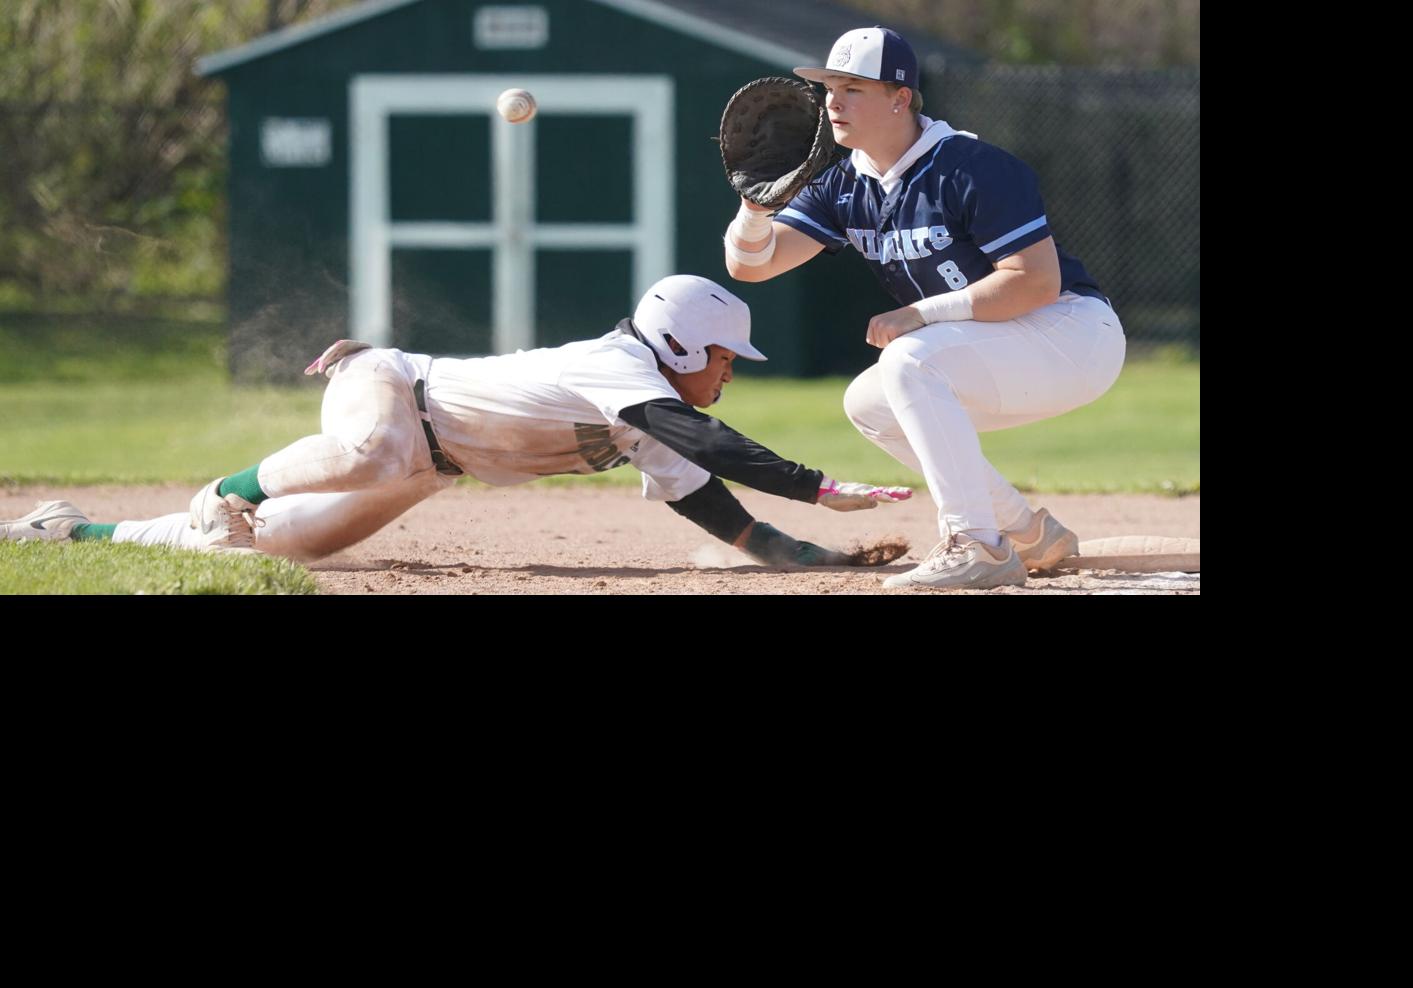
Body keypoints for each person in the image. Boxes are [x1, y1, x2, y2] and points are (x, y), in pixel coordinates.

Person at [3, 275, 911, 566]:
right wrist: (820, 487)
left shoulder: (647, 412)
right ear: (677, 343)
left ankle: (75, 531)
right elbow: (711, 443)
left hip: (428, 460)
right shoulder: (621, 370)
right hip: (392, 387)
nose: (728, 374)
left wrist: (820, 558)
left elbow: (714, 503)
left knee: (283, 549)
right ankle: (223, 490)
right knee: (371, 450)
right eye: (722, 356)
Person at [723, 26, 1127, 590]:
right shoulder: (846, 183)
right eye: (829, 88)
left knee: (910, 360)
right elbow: (753, 266)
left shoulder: (968, 165)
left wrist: (920, 314)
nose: (832, 101)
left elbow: (1035, 283)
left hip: (1072, 335)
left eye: (853, 88)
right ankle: (1026, 531)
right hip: (993, 347)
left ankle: (977, 544)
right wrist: (753, 208)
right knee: (871, 403)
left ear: (901, 97)